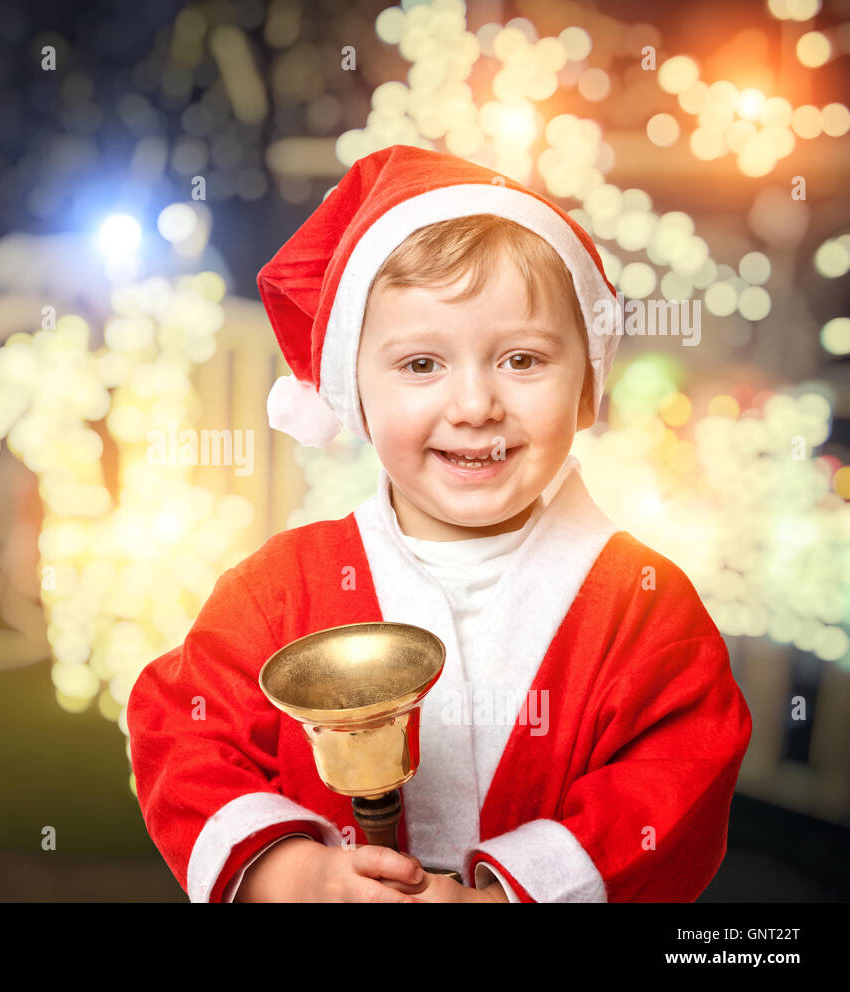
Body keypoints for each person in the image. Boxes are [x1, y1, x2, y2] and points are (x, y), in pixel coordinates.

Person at [125, 144, 752, 903]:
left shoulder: (645, 605)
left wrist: (508, 895)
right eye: (421, 365)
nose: (475, 405)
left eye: (522, 360)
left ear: (587, 384)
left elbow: (675, 781)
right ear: (352, 392)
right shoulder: (278, 589)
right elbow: (183, 731)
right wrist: (290, 873)